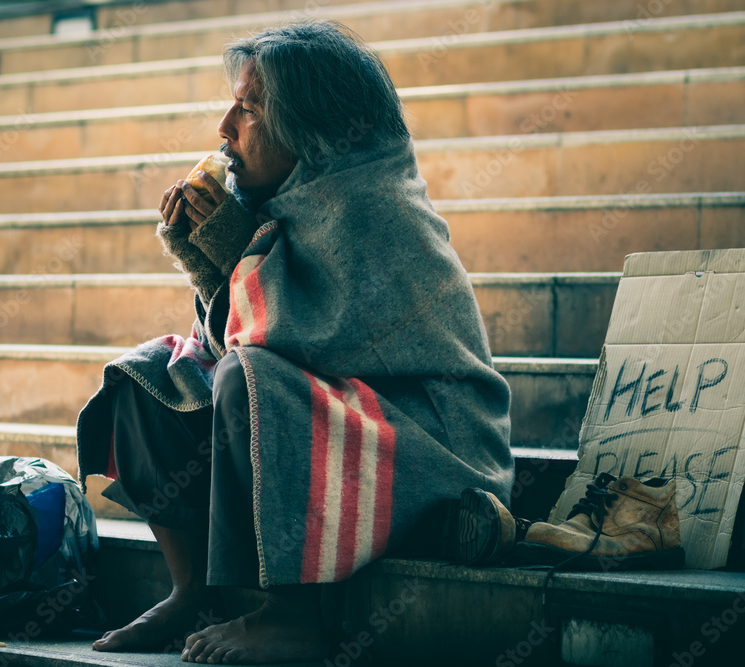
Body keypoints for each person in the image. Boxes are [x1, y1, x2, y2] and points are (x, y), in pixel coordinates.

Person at [75, 20, 513, 664]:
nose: (225, 127)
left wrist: (231, 246)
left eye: (248, 109)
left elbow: (302, 348)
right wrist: (206, 256)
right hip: (343, 421)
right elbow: (227, 338)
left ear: (310, 128)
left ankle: (290, 616)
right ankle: (193, 590)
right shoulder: (287, 199)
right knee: (153, 374)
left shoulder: (375, 204)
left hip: (434, 447)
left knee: (248, 379)